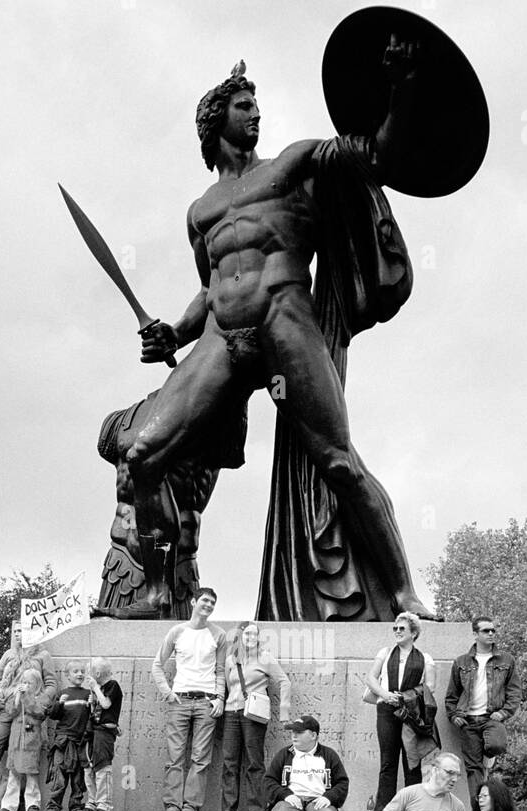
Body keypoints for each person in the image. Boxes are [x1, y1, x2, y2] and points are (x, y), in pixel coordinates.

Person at [128, 49, 435, 623]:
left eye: (257, 106)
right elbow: (210, 288)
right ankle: (156, 591)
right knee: (143, 455)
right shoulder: (200, 211)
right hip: (223, 337)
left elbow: (374, 156)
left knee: (338, 461)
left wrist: (402, 87)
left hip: (283, 320)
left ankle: (402, 592)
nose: (255, 115)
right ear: (216, 120)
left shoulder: (292, 164)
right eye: (244, 106)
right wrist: (174, 331)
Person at [0, 620, 57, 811]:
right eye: (15, 631)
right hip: (7, 708)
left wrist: (39, 702)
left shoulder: (42, 655)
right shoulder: (9, 654)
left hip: (28, 710)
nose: (17, 634)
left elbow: (51, 684)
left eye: (21, 631)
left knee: (26, 759)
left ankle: (25, 803)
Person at [151, 588, 227, 811]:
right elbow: (157, 665)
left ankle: (190, 807)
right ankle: (172, 807)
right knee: (174, 757)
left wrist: (220, 698)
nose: (208, 605)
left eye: (213, 602)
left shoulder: (219, 635)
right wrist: (167, 693)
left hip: (206, 702)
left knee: (200, 759)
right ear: (194, 601)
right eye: (205, 600)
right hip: (179, 700)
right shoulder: (177, 632)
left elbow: (220, 671)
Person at [365, 612, 438, 811]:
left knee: (412, 763)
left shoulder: (425, 658)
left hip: (411, 713)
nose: (397, 631)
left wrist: (406, 697)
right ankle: (382, 810)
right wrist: (386, 695)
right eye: (395, 628)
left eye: (402, 628)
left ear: (413, 633)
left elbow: (430, 687)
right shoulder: (386, 652)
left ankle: (411, 810)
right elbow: (371, 678)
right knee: (388, 762)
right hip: (387, 709)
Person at [444, 617, 521, 802]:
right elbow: (452, 695)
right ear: (475, 634)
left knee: (497, 745)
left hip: (492, 718)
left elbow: (514, 692)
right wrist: (454, 716)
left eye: (493, 630)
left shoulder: (507, 660)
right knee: (473, 769)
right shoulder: (461, 662)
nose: (491, 634)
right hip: (467, 720)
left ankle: (488, 754)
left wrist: (503, 713)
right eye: (486, 631)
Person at [221, 621, 290, 811]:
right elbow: (229, 685)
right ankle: (228, 808)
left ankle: (255, 809)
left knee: (254, 762)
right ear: (239, 637)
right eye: (247, 634)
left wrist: (284, 711)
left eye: (254, 634)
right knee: (229, 762)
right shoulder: (231, 660)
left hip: (253, 715)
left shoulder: (265, 658)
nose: (251, 638)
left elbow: (284, 681)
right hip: (231, 713)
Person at [263, 715, 349, 811]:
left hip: (318, 800)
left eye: (299, 732)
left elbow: (342, 783)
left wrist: (329, 797)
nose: (294, 735)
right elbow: (269, 781)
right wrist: (285, 795)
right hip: (290, 800)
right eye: (293, 732)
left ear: (314, 735)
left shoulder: (329, 755)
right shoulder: (284, 754)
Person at [0, 669, 51, 811]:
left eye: (29, 682)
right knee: (13, 773)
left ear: (37, 684)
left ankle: (33, 804)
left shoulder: (41, 697)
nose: (26, 685)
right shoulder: (17, 695)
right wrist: (17, 697)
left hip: (31, 740)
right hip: (16, 739)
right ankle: (9, 805)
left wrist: (27, 697)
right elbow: (10, 711)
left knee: (31, 772)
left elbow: (39, 712)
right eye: (24, 682)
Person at [45, 661, 93, 811]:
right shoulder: (63, 693)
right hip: (63, 741)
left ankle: (76, 806)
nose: (80, 674)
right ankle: (53, 806)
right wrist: (59, 703)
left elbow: (92, 717)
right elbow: (53, 715)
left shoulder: (88, 694)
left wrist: (93, 703)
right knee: (59, 775)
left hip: (81, 742)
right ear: (67, 675)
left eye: (82, 671)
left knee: (78, 778)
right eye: (75, 671)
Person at [83, 659, 123, 811]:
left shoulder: (113, 685)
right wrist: (92, 702)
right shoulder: (96, 690)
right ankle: (92, 801)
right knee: (89, 767)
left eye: (89, 672)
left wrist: (95, 688)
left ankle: (104, 804)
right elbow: (97, 709)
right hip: (92, 731)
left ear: (97, 674)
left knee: (102, 767)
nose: (87, 677)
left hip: (104, 732)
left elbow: (106, 704)